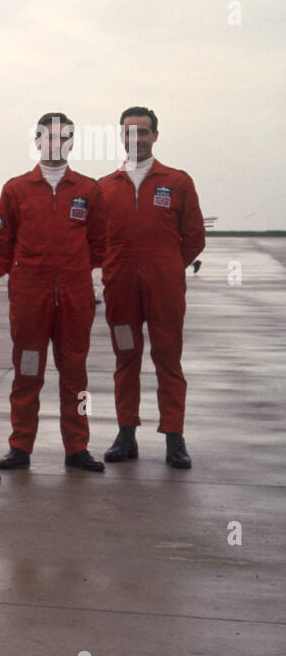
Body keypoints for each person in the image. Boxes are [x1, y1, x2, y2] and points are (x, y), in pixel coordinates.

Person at [0, 113, 107, 472]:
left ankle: (78, 447)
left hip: (74, 297)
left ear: (71, 142)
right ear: (37, 141)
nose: (56, 143)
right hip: (29, 299)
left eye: (64, 137)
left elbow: (99, 244)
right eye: (49, 137)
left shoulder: (89, 190)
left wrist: (72, 271)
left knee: (76, 375)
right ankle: (20, 446)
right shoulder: (16, 189)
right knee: (27, 372)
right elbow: (3, 245)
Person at [98, 106, 204, 468]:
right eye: (129, 132)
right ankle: (126, 435)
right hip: (121, 292)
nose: (136, 138)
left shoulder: (178, 182)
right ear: (121, 135)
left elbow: (194, 237)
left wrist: (169, 267)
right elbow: (96, 241)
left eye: (143, 132)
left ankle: (174, 437)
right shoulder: (105, 187)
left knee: (168, 360)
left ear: (155, 136)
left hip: (164, 292)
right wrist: (115, 270)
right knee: (126, 359)